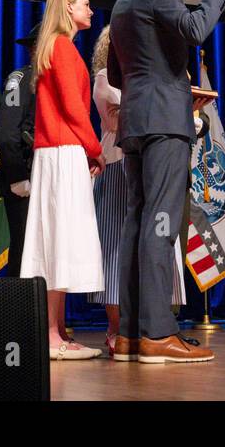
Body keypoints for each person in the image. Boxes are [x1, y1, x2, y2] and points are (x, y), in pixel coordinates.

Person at [108, 0, 225, 364]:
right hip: (163, 124)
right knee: (161, 222)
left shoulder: (122, 2)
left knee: (137, 224)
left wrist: (166, 87)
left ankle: (129, 337)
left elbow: (118, 75)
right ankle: (157, 334)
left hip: (137, 121)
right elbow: (196, 30)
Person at [89, 26, 186, 356]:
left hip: (145, 160)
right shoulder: (105, 77)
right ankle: (118, 328)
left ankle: (150, 325)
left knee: (155, 239)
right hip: (117, 166)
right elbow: (115, 121)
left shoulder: (142, 77)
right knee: (118, 245)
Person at [20, 0, 106, 360]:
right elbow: (74, 109)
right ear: (69, 7)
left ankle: (54, 333)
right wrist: (96, 150)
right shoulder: (63, 47)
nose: (91, 8)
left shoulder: (53, 46)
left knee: (54, 242)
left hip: (56, 153)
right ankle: (52, 335)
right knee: (59, 241)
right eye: (85, 3)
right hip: (64, 152)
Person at [0, 26, 38, 277]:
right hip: (25, 174)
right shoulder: (21, 79)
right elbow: (6, 131)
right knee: (24, 254)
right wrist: (17, 176)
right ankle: (19, 315)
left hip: (48, 177)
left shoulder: (53, 80)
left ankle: (45, 316)